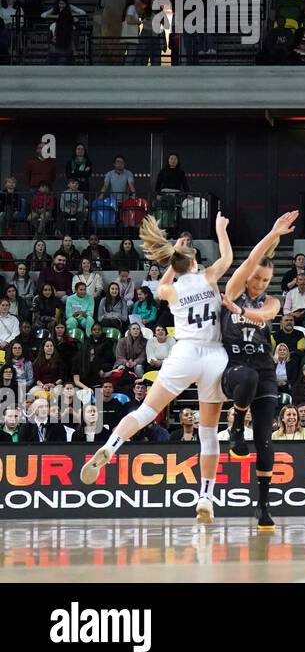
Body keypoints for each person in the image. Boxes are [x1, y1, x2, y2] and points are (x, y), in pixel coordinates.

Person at [80, 212, 234, 525]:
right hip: (214, 357)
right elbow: (228, 257)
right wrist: (221, 230)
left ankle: (110, 447)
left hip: (185, 353)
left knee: (146, 412)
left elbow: (163, 283)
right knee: (208, 435)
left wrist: (171, 262)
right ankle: (205, 496)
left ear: (176, 266)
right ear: (195, 263)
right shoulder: (208, 277)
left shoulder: (171, 290)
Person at [216, 210, 297, 531]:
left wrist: (243, 313)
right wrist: (273, 233)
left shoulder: (272, 302)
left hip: (264, 372)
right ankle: (235, 423)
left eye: (265, 280)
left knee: (265, 441)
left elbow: (265, 316)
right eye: (257, 278)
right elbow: (250, 259)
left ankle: (263, 505)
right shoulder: (234, 290)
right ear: (248, 277)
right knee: (246, 378)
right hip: (234, 369)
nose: (260, 283)